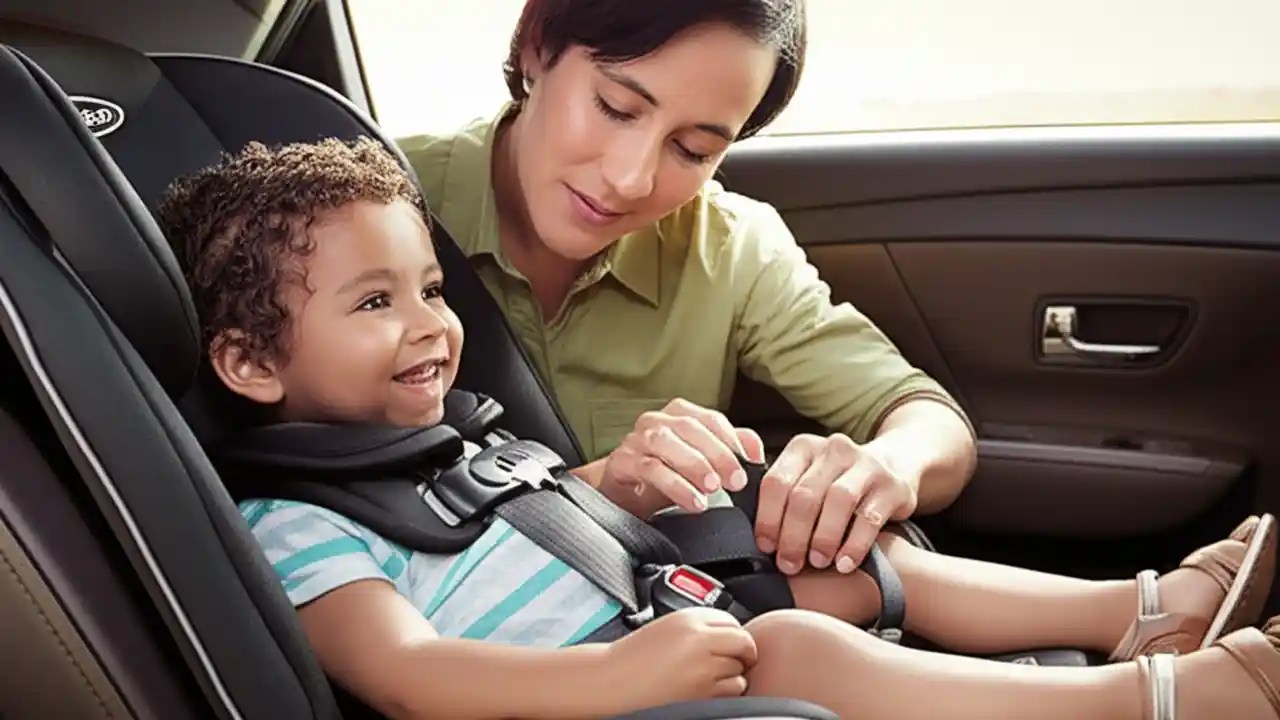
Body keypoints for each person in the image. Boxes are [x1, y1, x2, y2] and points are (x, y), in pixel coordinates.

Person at [157, 136, 1280, 719]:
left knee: (830, 561)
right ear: (251, 364)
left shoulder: (436, 440)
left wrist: (621, 488)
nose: (429, 326)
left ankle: (1138, 610)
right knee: (790, 642)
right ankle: (1149, 700)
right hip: (587, 690)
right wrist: (621, 679)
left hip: (636, 620)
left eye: (431, 291)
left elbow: (521, 519)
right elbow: (408, 677)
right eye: (373, 304)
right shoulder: (292, 525)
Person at [397, 0, 976, 583]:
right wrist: (604, 487)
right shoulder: (366, 209)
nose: (631, 178)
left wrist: (884, 467)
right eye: (616, 108)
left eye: (693, 149)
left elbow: (929, 421)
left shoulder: (728, 248)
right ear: (536, 46)